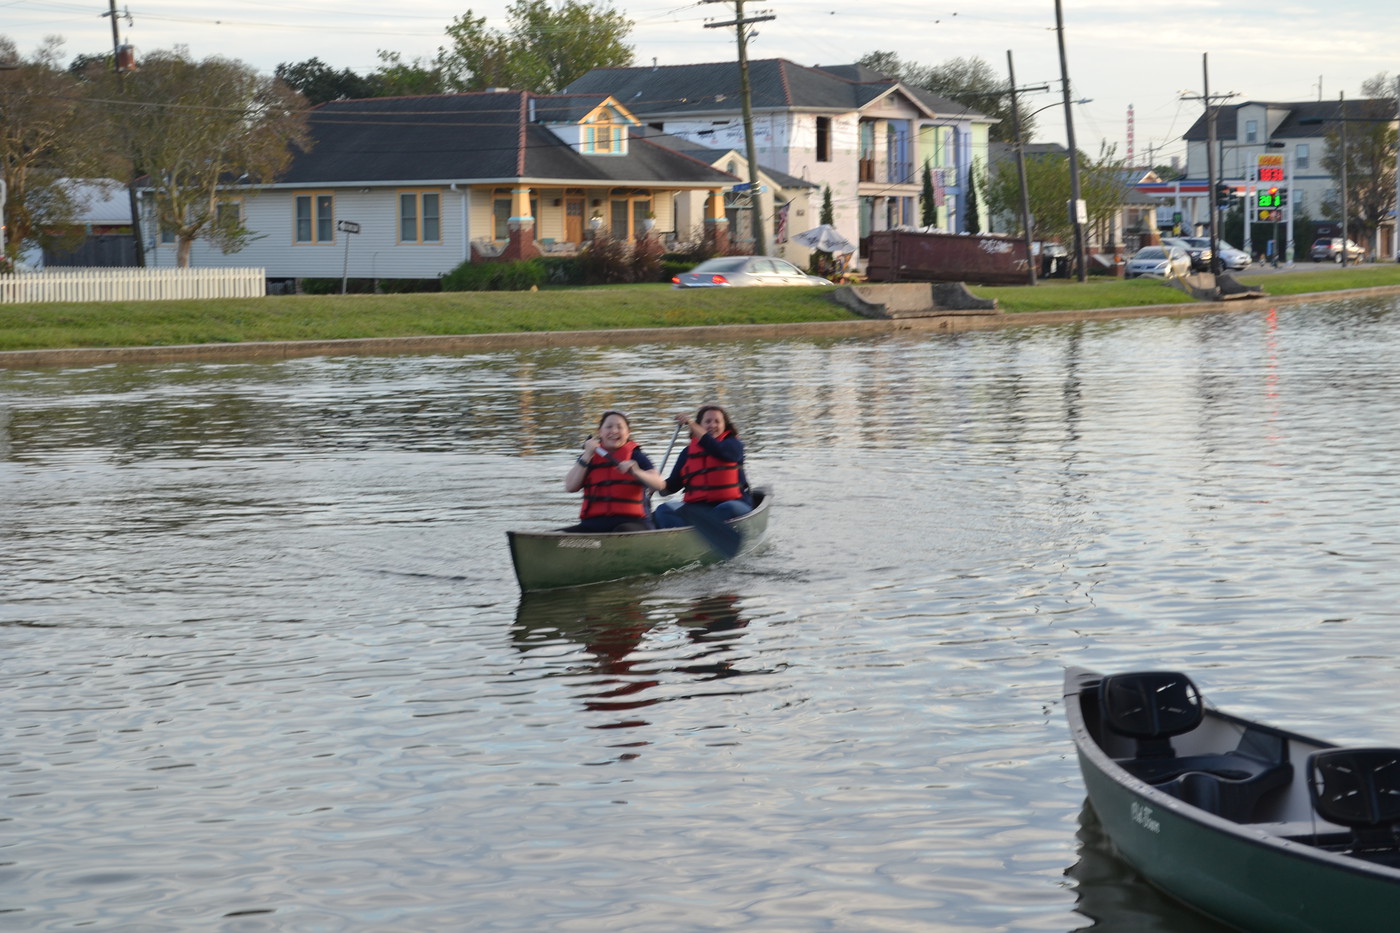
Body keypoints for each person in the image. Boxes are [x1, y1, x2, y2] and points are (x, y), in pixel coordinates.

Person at [652, 405, 752, 529]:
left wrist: (691, 423)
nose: (713, 425)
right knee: (663, 510)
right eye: (708, 421)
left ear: (724, 425)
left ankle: (701, 531)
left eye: (717, 421)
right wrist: (657, 485)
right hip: (698, 509)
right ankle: (679, 538)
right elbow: (672, 486)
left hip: (733, 504)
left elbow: (719, 450)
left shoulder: (734, 445)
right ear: (700, 425)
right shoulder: (687, 453)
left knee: (725, 509)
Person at [564, 410, 664, 533]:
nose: (614, 431)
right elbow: (570, 487)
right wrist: (587, 455)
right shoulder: (588, 457)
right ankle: (584, 547)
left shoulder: (637, 457)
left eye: (619, 427)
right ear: (600, 432)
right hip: (592, 528)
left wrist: (636, 472)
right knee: (559, 536)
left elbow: (659, 485)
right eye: (609, 427)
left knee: (621, 531)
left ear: (628, 433)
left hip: (633, 525)